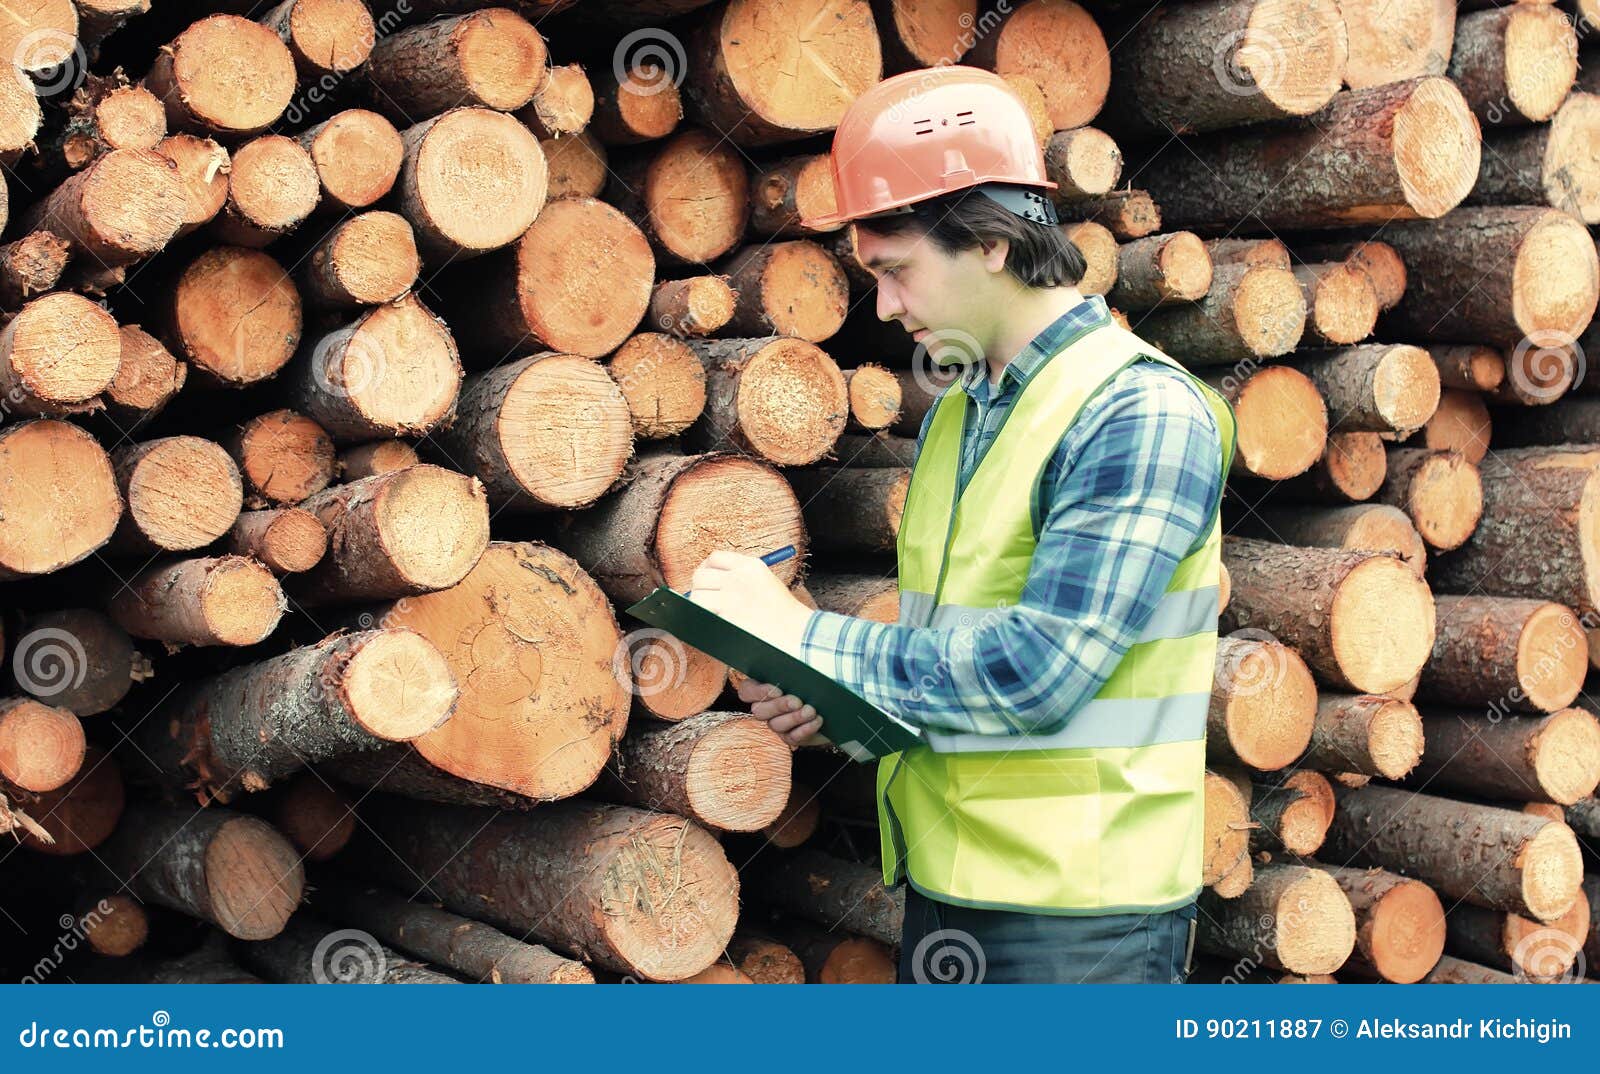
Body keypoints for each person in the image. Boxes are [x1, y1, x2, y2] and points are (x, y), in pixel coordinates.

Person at [684, 66, 1234, 984]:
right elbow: (956, 658)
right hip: (952, 900)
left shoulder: (1136, 411)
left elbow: (1037, 675)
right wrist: (836, 709)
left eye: (896, 272)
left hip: (1083, 932)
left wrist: (801, 635)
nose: (888, 307)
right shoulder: (960, 413)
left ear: (988, 240)